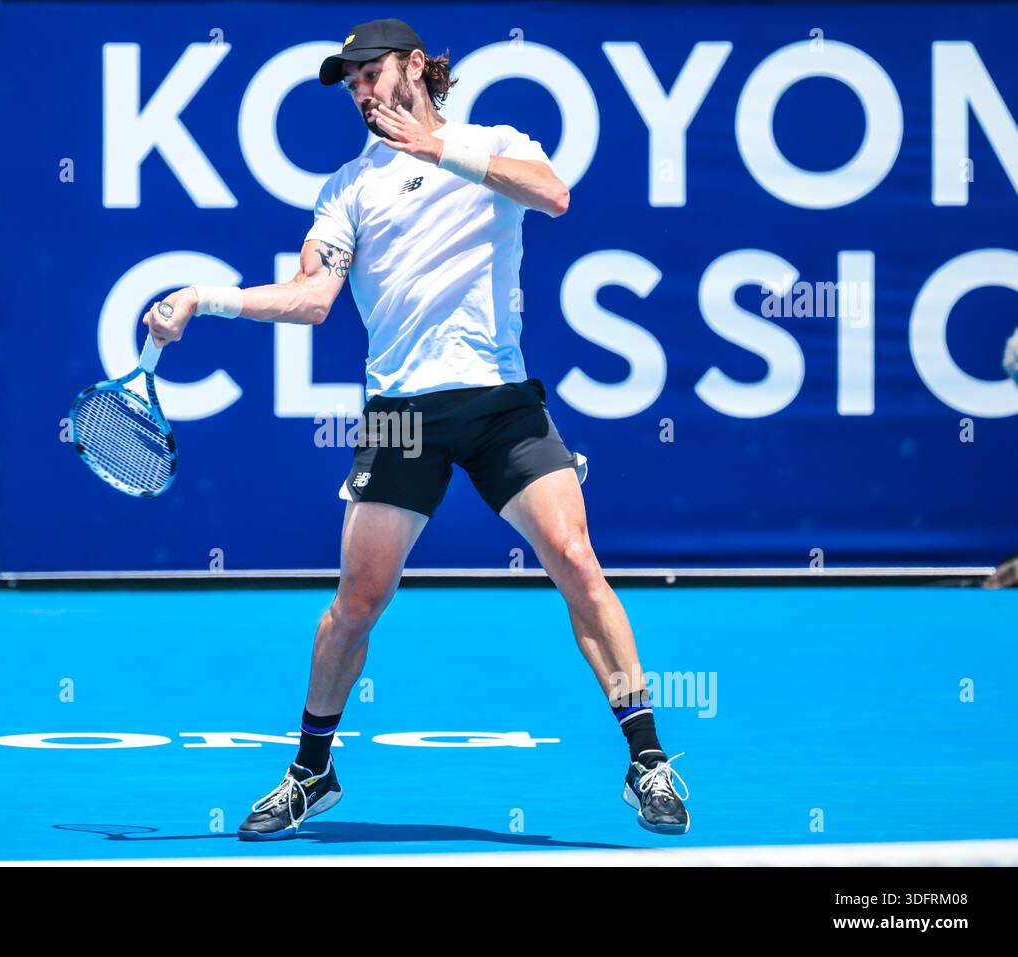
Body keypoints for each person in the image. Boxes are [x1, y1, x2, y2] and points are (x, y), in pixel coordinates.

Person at [143, 18, 690, 841]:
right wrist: (204, 297)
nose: (361, 92)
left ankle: (647, 759)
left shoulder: (495, 140)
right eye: (350, 84)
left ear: (411, 67)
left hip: (502, 401)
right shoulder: (346, 188)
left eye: (369, 75)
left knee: (577, 559)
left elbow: (554, 194)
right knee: (358, 600)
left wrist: (438, 153)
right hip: (402, 416)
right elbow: (312, 298)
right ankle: (311, 770)